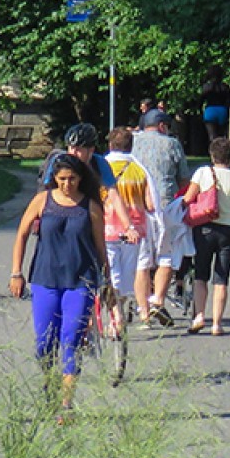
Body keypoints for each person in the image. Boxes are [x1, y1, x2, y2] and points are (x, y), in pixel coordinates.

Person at [9, 155, 107, 422]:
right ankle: (49, 384)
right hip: (45, 279)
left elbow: (101, 247)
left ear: (81, 178)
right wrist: (16, 272)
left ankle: (66, 403)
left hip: (81, 282)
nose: (67, 184)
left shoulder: (91, 206)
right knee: (44, 342)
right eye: (62, 179)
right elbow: (21, 234)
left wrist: (106, 282)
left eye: (72, 179)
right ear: (54, 178)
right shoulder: (43, 201)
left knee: (71, 340)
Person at [184, 137, 230, 336]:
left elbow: (188, 197)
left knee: (201, 275)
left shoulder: (202, 172)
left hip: (204, 228)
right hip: (228, 230)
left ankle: (200, 316)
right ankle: (217, 324)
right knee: (221, 278)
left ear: (212, 155)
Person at [131, 108, 190, 325]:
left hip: (138, 207)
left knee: (142, 260)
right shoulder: (171, 143)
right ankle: (158, 301)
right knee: (167, 255)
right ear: (163, 126)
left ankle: (143, 310)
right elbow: (184, 179)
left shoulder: (134, 142)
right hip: (165, 206)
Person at [102, 127, 158, 325]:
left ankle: (114, 318)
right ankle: (121, 311)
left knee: (111, 276)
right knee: (126, 278)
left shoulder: (102, 166)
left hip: (107, 227)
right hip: (134, 230)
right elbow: (150, 204)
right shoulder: (139, 169)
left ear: (110, 145)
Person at [201, 65, 230, 145]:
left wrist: (200, 110)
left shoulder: (206, 87)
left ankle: (214, 153)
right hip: (222, 111)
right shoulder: (225, 87)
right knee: (222, 136)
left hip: (210, 111)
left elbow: (200, 100)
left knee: (212, 137)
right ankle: (222, 153)